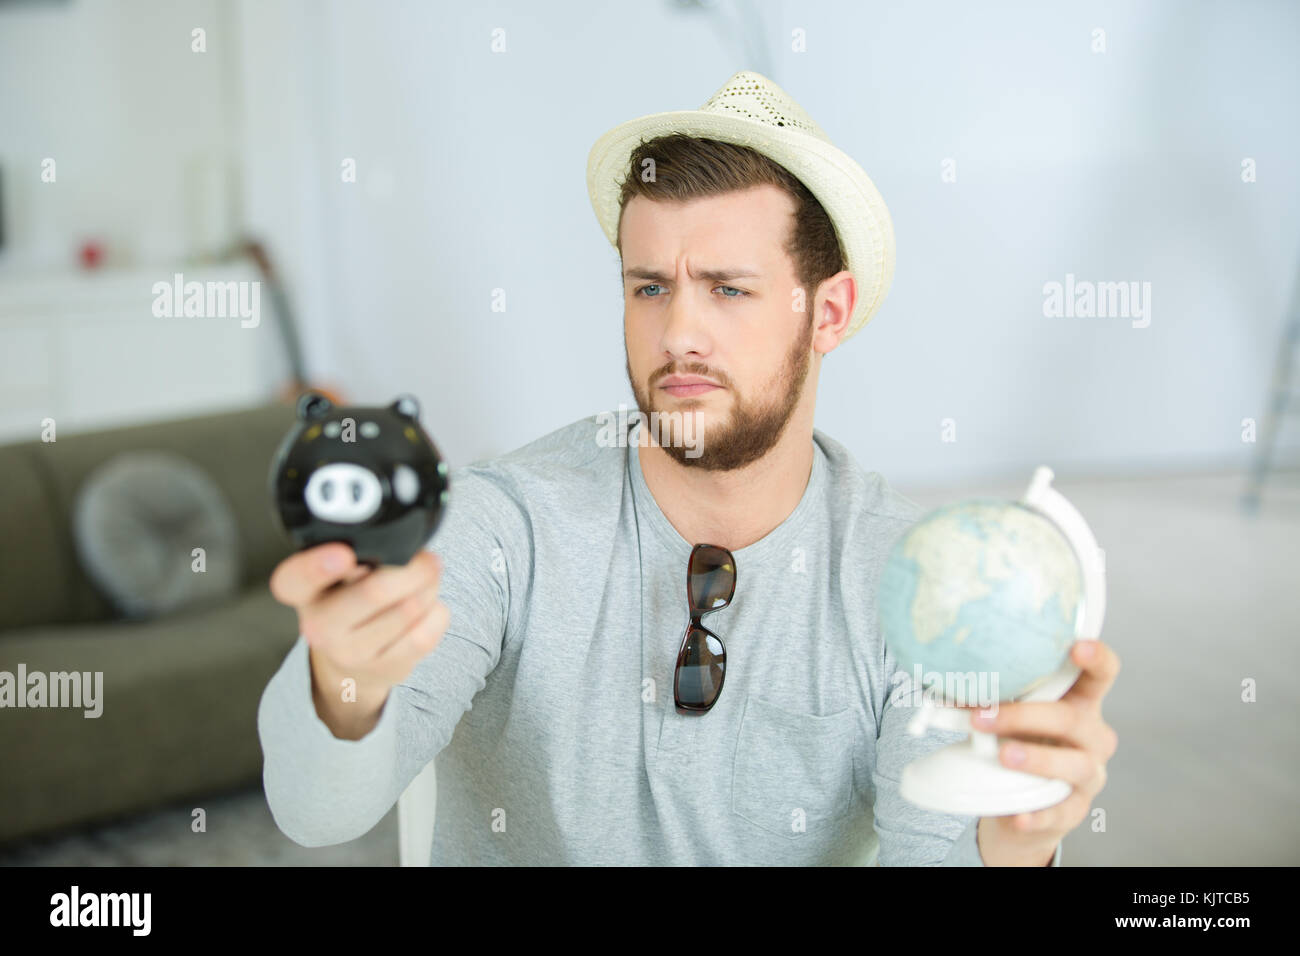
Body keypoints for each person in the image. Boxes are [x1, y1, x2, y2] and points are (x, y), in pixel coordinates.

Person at [257, 70, 1119, 865]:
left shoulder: (914, 581)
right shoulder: (502, 525)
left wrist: (1013, 848)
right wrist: (344, 685)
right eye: (649, 287)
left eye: (729, 289)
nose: (678, 335)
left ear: (829, 312)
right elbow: (315, 813)